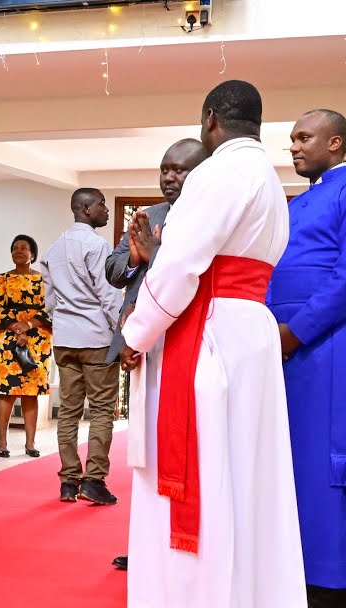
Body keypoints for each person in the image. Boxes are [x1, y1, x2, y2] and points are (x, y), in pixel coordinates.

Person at [119, 79, 308, 608]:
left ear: (210, 121)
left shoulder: (220, 173)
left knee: (206, 481)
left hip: (211, 333)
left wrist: (137, 332)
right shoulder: (271, 181)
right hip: (245, 327)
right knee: (240, 481)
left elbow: (179, 266)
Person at [270, 109, 346, 608]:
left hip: (331, 342)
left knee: (330, 460)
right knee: (295, 460)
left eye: (304, 138)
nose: (294, 147)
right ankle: (299, 572)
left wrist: (295, 332)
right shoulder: (302, 199)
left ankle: (336, 584)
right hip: (287, 344)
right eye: (292, 139)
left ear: (337, 142)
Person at [104, 138, 209, 572]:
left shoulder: (209, 214)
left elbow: (196, 274)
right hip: (143, 346)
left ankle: (180, 541)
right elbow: (114, 271)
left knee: (182, 449)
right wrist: (133, 256)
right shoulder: (148, 216)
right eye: (165, 169)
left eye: (180, 170)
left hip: (191, 343)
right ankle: (147, 542)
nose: (169, 177)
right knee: (143, 451)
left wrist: (155, 254)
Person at [40, 188, 123, 505]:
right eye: (102, 204)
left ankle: (67, 481)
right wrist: (123, 332)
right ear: (86, 208)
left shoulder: (54, 248)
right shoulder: (96, 245)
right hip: (95, 339)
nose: (105, 209)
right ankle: (94, 480)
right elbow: (108, 295)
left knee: (69, 412)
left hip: (64, 339)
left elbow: (49, 301)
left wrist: (64, 320)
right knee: (101, 410)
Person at [0, 236, 52, 460]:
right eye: (15, 248)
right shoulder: (3, 278)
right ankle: (2, 440)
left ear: (33, 253)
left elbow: (50, 309)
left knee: (31, 391)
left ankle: (30, 441)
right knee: (7, 389)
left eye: (24, 248)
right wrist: (16, 327)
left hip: (38, 338)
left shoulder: (44, 280)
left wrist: (29, 325)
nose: (19, 251)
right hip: (8, 336)